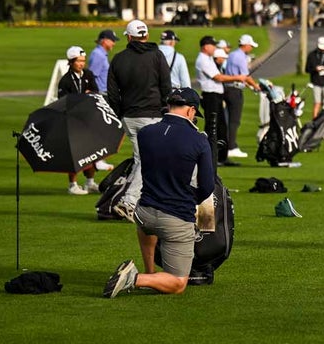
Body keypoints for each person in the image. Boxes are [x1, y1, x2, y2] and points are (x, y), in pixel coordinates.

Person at [103, 87, 214, 298]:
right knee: (178, 283)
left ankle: (150, 272)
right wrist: (190, 200)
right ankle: (136, 278)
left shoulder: (146, 134)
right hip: (175, 217)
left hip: (143, 212)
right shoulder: (199, 140)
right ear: (191, 111)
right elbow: (207, 186)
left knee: (149, 225)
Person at [106, 20, 171, 220]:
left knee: (140, 160)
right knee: (149, 160)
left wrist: (121, 113)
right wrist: (166, 110)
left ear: (128, 36)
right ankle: (129, 201)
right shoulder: (157, 56)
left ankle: (119, 199)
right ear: (146, 35)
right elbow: (166, 87)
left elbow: (112, 93)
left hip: (129, 117)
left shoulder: (118, 59)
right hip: (151, 116)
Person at [194, 35, 256, 165]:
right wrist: (237, 77)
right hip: (210, 96)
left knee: (221, 127)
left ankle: (221, 157)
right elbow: (218, 78)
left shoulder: (209, 59)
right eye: (213, 45)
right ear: (206, 46)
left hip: (216, 96)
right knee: (213, 127)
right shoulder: (202, 60)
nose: (215, 47)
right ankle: (212, 157)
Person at [57, 45, 100, 195]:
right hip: (72, 122)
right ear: (71, 62)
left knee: (91, 152)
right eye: (78, 61)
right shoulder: (65, 81)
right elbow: (64, 103)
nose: (82, 63)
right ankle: (72, 184)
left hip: (88, 119)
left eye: (83, 60)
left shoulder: (88, 74)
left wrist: (89, 94)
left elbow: (95, 92)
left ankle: (90, 182)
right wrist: (83, 97)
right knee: (75, 153)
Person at [222, 34, 258, 158]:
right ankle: (231, 147)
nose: (251, 48)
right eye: (251, 46)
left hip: (227, 88)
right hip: (235, 90)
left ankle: (230, 144)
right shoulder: (241, 57)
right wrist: (256, 86)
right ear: (246, 45)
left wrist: (250, 85)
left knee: (228, 119)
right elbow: (246, 76)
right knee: (234, 120)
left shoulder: (232, 54)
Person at [89, 28, 118, 92]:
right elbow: (91, 76)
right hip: (100, 93)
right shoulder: (98, 54)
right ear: (105, 40)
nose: (114, 44)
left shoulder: (101, 54)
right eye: (113, 40)